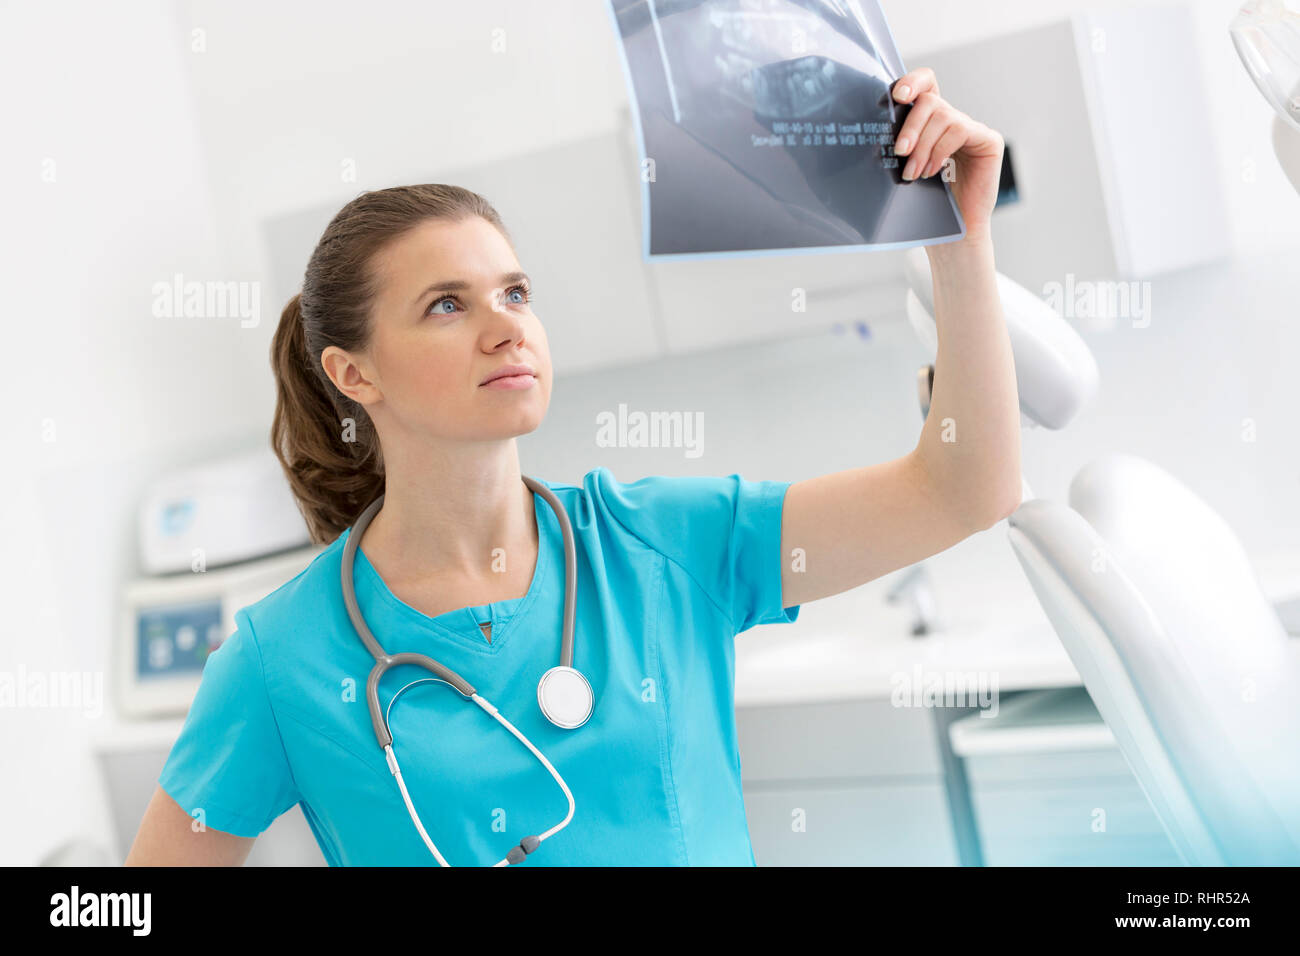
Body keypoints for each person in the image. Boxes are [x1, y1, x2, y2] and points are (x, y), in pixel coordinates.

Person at [126, 68, 1019, 866]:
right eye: (446, 304)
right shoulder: (283, 659)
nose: (508, 324)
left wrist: (960, 241)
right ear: (354, 374)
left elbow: (963, 489)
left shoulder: (664, 542)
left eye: (515, 292)